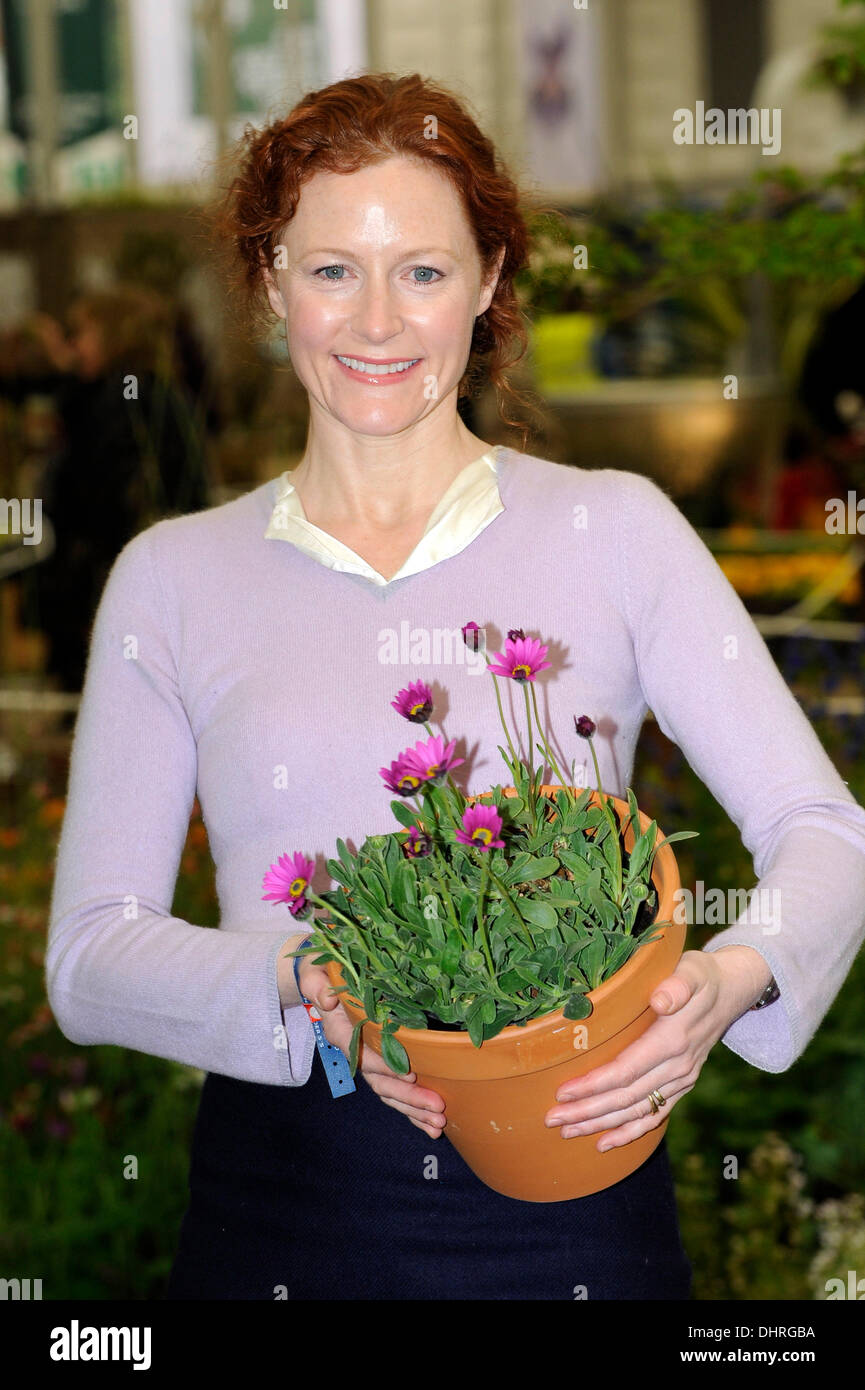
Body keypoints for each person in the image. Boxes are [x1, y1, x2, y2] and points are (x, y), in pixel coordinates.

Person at [45, 73, 865, 1301]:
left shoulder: (615, 530)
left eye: (422, 271)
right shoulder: (172, 578)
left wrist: (724, 980)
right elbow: (89, 956)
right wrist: (306, 984)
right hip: (288, 1216)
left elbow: (824, 832)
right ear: (271, 284)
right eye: (332, 271)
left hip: (581, 1203)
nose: (377, 321)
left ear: (488, 281)